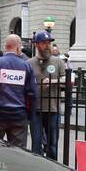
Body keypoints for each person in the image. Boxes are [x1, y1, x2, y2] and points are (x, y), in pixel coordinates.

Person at [0, 34, 38, 147]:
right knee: (18, 153)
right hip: (18, 115)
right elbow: (33, 93)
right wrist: (29, 115)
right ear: (18, 47)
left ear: (5, 46)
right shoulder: (26, 66)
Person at [28, 30, 65, 158]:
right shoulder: (29, 63)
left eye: (49, 42)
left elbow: (68, 80)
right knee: (36, 144)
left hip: (53, 109)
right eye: (44, 43)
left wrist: (53, 81)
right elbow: (25, 85)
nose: (47, 45)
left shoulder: (58, 62)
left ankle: (53, 169)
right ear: (36, 45)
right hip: (35, 110)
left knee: (52, 144)